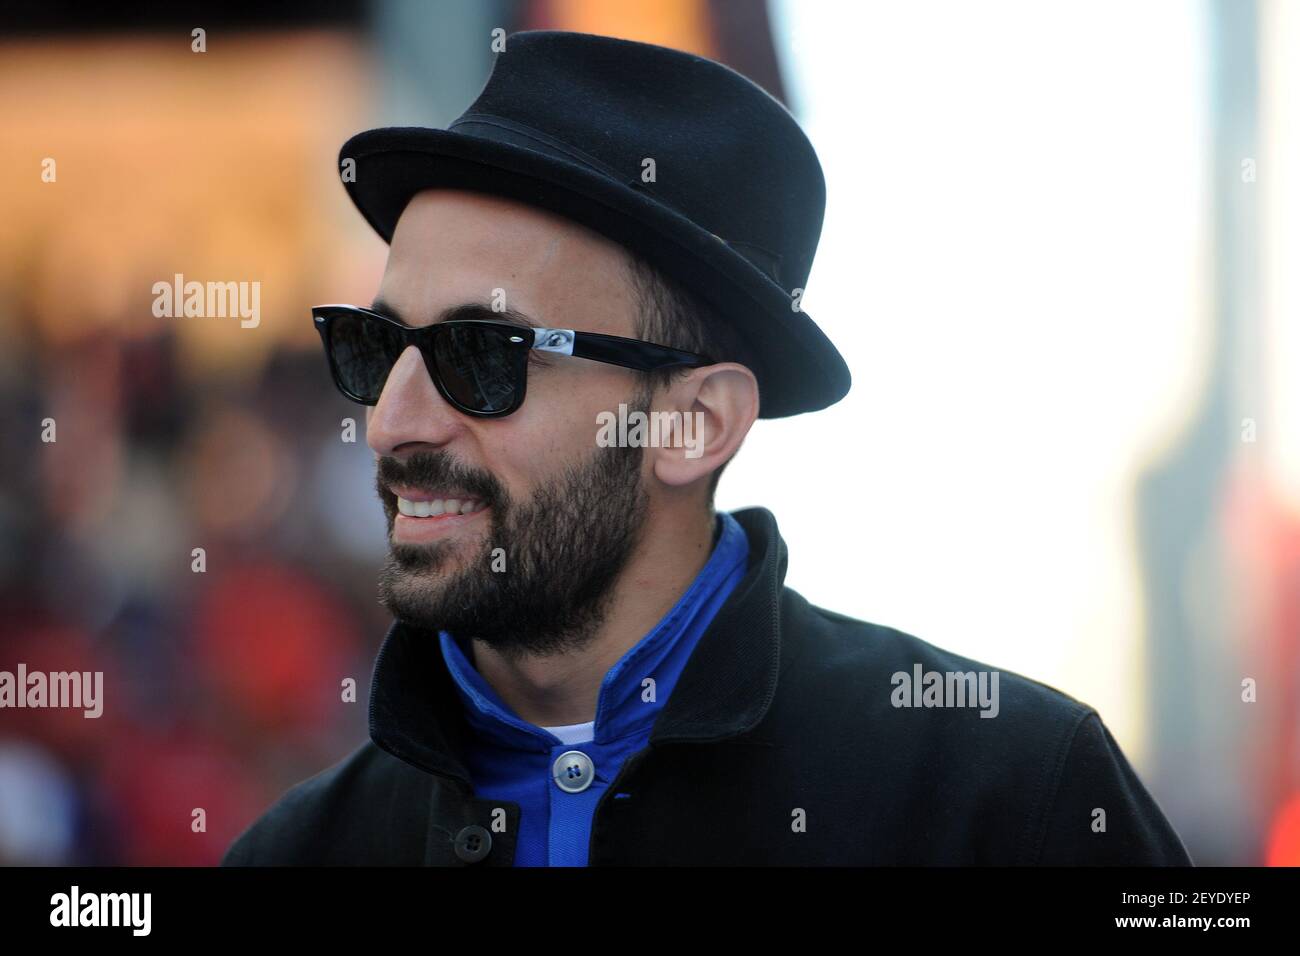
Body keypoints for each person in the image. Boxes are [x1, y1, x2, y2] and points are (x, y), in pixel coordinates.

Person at [222, 30, 1191, 866]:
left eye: (483, 352)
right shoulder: (302, 849)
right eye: (376, 345)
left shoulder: (1008, 800)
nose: (393, 420)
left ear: (696, 423)